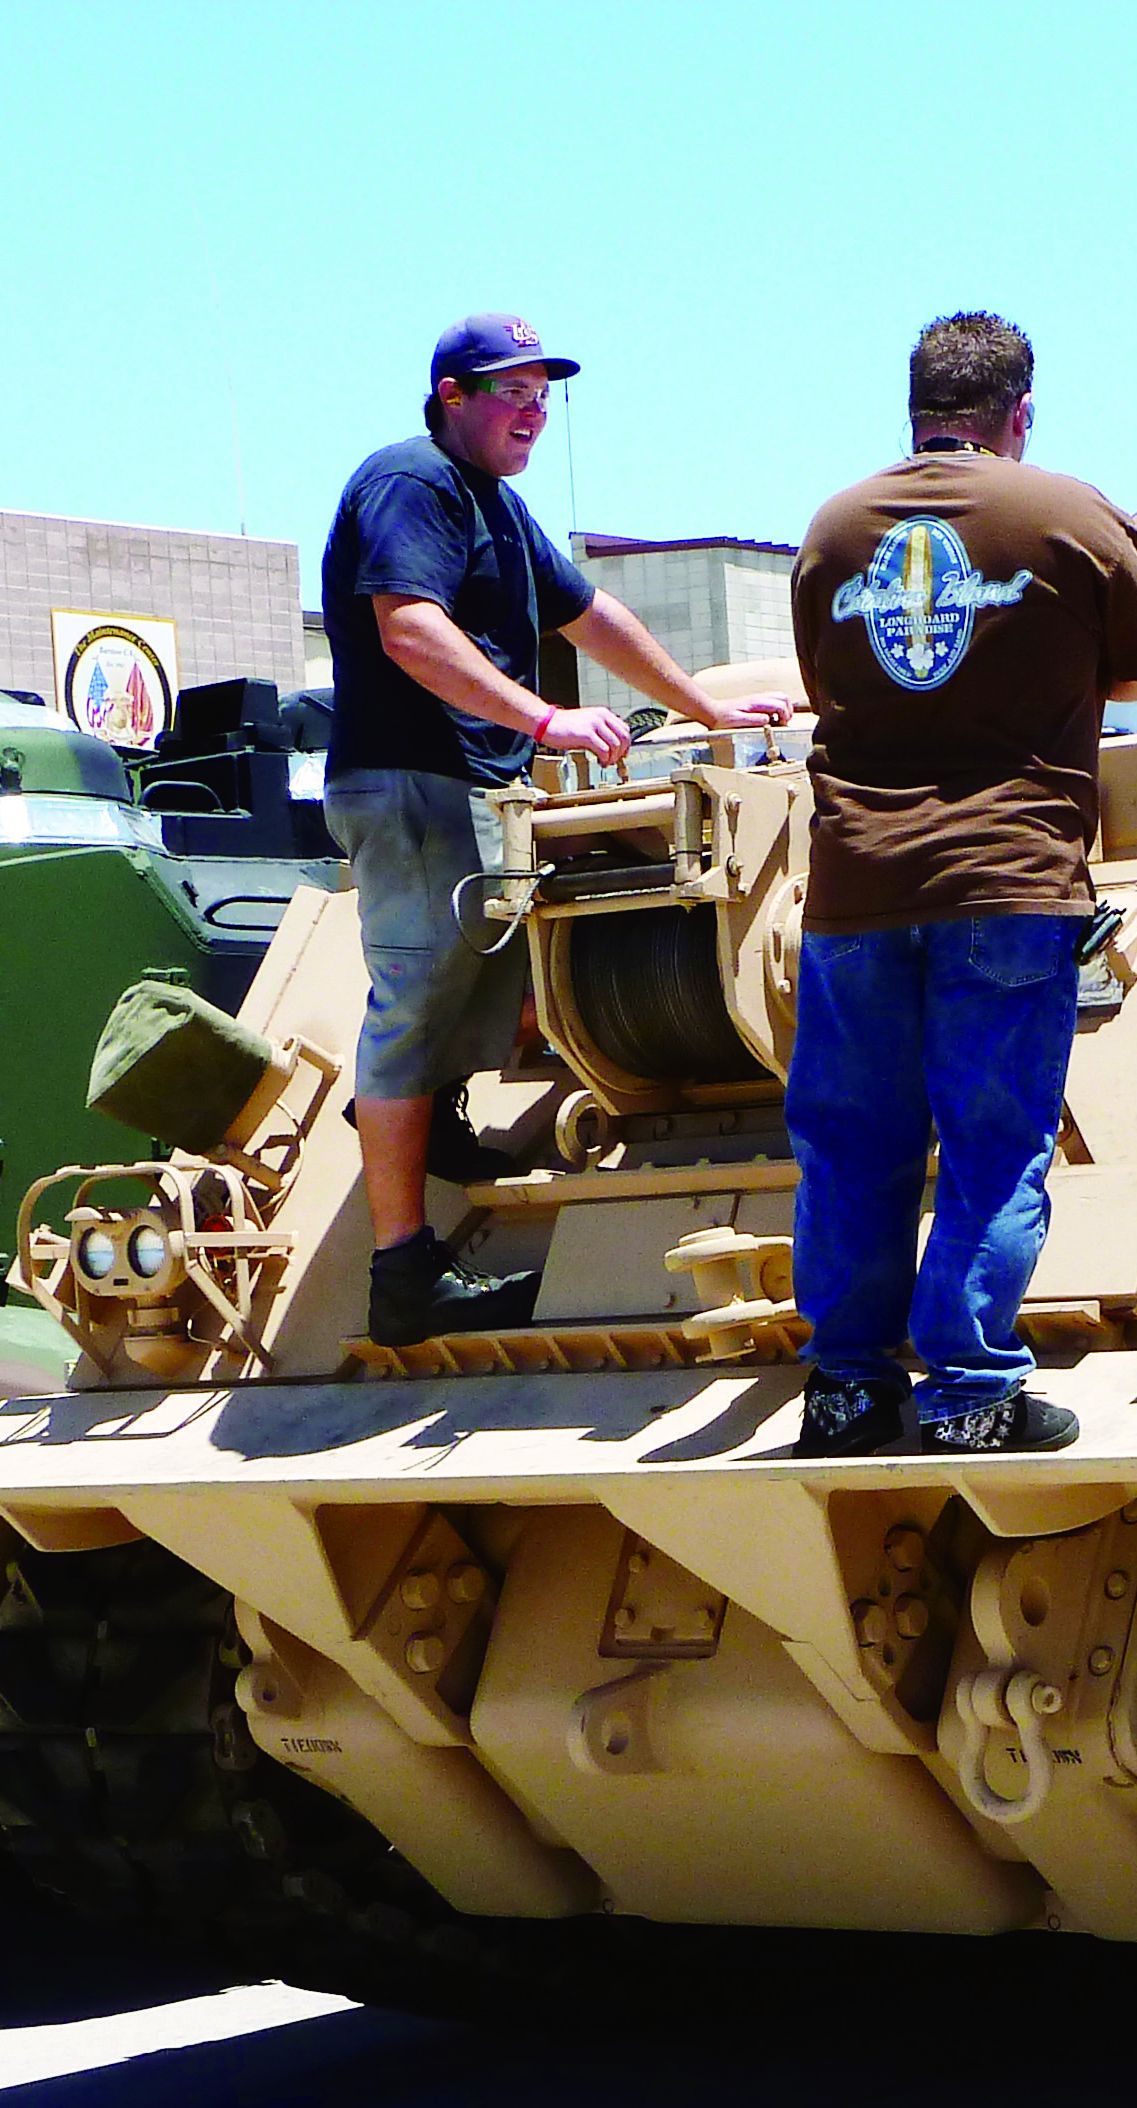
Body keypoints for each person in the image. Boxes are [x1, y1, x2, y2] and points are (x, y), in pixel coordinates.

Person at [321, 312, 795, 1346]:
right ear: (451, 395)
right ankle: (402, 1274)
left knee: (495, 954)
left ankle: (420, 1121)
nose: (534, 409)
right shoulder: (412, 483)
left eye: (545, 393)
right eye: (511, 390)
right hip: (412, 788)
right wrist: (541, 718)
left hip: (473, 791)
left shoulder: (494, 504)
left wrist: (701, 705)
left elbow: (588, 616)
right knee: (412, 1005)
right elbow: (408, 627)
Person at [786, 312, 1137, 1455]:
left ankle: (846, 1390)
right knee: (991, 1141)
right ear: (1019, 414)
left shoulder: (833, 527)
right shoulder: (1065, 510)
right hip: (1010, 878)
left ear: (915, 408)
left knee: (849, 1142)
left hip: (853, 885)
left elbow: (829, 678)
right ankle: (967, 1392)